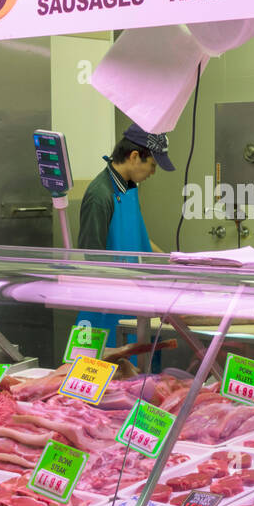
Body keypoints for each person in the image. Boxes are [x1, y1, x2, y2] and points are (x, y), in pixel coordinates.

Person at [75, 123, 174, 344]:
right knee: (114, 361)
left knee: (139, 362)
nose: (152, 173)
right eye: (152, 165)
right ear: (134, 156)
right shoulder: (100, 195)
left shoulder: (128, 188)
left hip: (133, 301)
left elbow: (139, 237)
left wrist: (172, 262)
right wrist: (128, 285)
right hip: (108, 307)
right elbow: (92, 258)